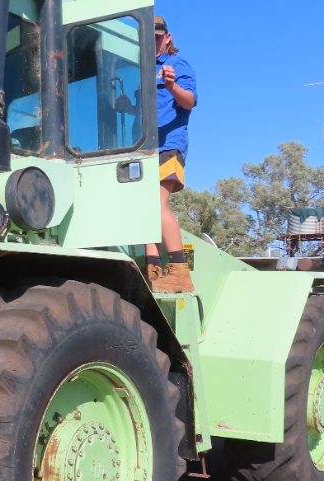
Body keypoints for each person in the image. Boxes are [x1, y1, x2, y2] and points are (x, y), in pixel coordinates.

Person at [118, 16, 198, 293]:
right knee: (143, 206)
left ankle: (179, 272)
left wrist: (173, 85)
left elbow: (190, 101)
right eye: (146, 38)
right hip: (144, 147)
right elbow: (145, 111)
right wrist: (127, 107)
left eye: (156, 37)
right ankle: (152, 269)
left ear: (167, 37)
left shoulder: (177, 64)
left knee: (155, 204)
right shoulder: (141, 71)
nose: (151, 42)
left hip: (169, 145)